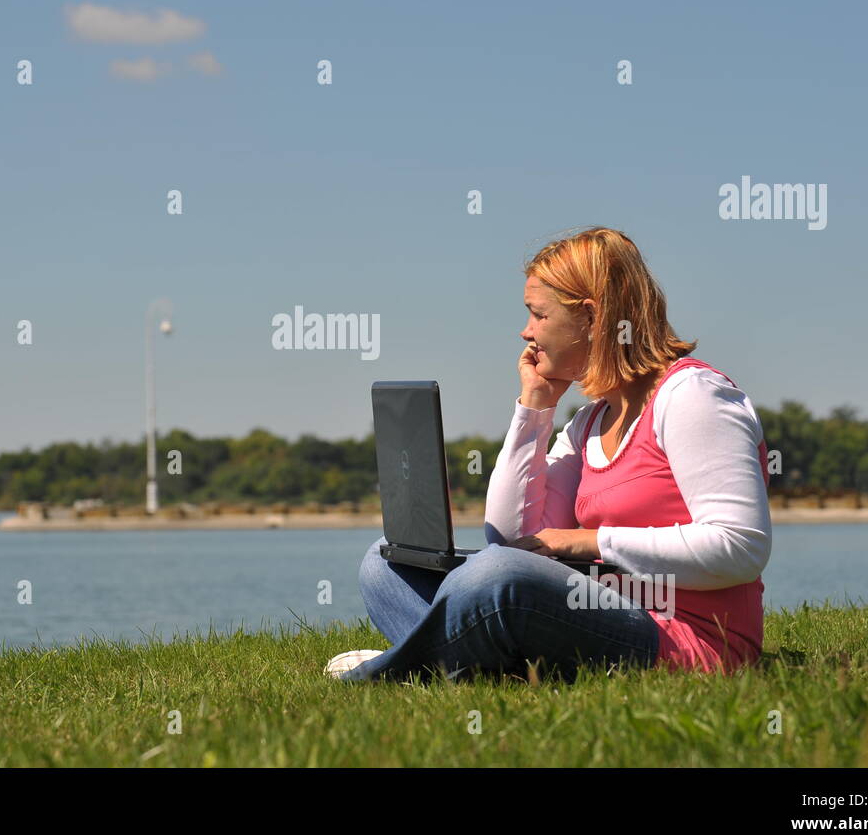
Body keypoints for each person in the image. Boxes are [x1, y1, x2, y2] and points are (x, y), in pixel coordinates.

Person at [326, 227, 772, 683]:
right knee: (387, 563)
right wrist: (535, 405)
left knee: (495, 576)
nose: (526, 331)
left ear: (592, 317)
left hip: (688, 638)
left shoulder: (693, 396)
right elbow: (510, 535)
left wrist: (588, 542)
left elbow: (741, 547)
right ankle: (470, 666)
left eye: (538, 315)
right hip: (595, 610)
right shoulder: (589, 422)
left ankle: (391, 670)